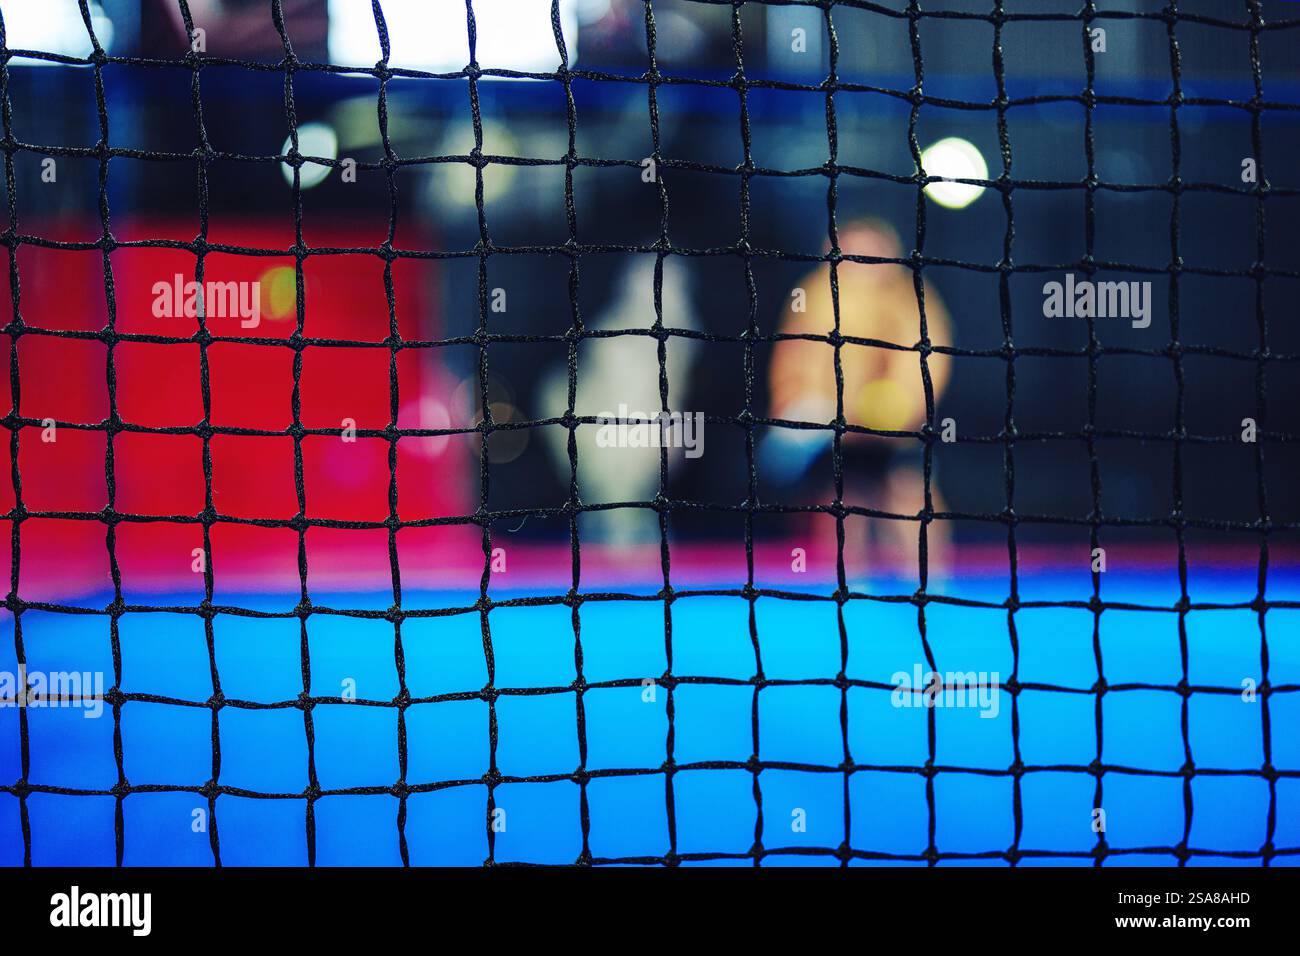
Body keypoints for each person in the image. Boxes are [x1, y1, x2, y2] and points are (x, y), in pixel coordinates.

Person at [762, 218, 953, 576]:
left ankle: (929, 582)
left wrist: (902, 409)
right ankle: (846, 584)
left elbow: (926, 363)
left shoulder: (909, 299)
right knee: (840, 499)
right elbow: (794, 362)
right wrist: (814, 409)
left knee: (907, 493)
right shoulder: (813, 296)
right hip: (834, 426)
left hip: (892, 431)